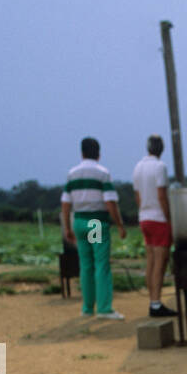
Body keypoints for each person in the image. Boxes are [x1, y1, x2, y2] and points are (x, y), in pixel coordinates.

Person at [60, 137, 126, 320]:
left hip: (79, 222)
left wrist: (67, 227)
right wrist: (119, 224)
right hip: (95, 223)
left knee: (86, 265)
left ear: (81, 153)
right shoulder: (102, 173)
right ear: (98, 153)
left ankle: (87, 307)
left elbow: (65, 204)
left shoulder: (71, 174)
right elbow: (110, 202)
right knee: (101, 265)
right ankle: (104, 308)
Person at [132, 135, 176, 318]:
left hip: (144, 217)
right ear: (161, 148)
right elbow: (162, 195)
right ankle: (156, 303)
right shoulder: (160, 167)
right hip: (158, 218)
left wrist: (143, 211)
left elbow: (137, 195)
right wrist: (169, 220)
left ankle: (153, 300)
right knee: (160, 262)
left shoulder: (138, 167)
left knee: (150, 261)